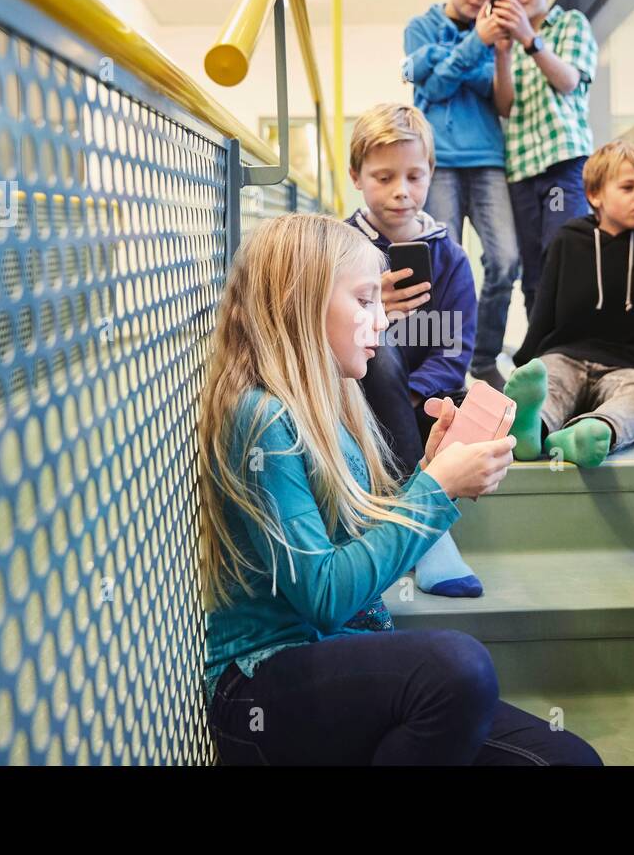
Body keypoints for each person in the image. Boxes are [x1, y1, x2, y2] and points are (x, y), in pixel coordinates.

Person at [197, 213, 601, 765]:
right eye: (364, 301)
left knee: (571, 760)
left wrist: (431, 472)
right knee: (459, 669)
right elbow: (326, 595)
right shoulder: (261, 417)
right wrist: (434, 489)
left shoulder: (331, 401)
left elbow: (356, 540)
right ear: (300, 303)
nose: (382, 322)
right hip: (261, 689)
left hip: (337, 667)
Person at [346, 102, 485, 597]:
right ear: (356, 177)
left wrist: (408, 398)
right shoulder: (338, 249)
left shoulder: (450, 259)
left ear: (431, 174)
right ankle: (426, 532)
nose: (401, 191)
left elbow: (454, 353)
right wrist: (367, 304)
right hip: (353, 404)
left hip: (419, 407)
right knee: (376, 348)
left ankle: (413, 506)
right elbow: (319, 340)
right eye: (383, 177)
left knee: (477, 400)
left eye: (414, 175)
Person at [503, 140, 634, 468]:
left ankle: (591, 432)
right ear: (595, 195)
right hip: (566, 354)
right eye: (628, 187)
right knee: (550, 383)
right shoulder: (567, 238)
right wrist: (525, 362)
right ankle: (531, 428)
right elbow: (544, 307)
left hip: (631, 366)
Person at [403, 0, 520, 390]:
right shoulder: (420, 28)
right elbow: (428, 90)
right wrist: (476, 47)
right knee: (445, 262)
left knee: (506, 260)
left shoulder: (493, 34)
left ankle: (483, 354)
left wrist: (492, 54)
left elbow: (501, 101)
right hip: (441, 162)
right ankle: (443, 361)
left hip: (489, 158)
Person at [491, 0, 598, 316]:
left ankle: (567, 346)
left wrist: (529, 40)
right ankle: (538, 357)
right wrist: (503, 55)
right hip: (520, 168)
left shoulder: (570, 24)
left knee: (563, 255)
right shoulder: (505, 40)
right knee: (533, 269)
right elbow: (504, 106)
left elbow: (569, 81)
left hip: (563, 161)